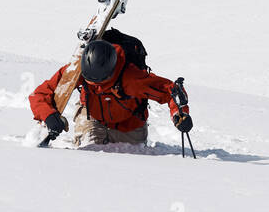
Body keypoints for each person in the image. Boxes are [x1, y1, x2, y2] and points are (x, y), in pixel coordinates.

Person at [29, 38, 192, 147]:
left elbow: (170, 91)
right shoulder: (76, 71)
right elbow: (40, 94)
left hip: (129, 125)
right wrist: (48, 115)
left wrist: (180, 114)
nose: (93, 85)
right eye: (88, 80)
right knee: (88, 158)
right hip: (92, 118)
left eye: (98, 82)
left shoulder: (132, 78)